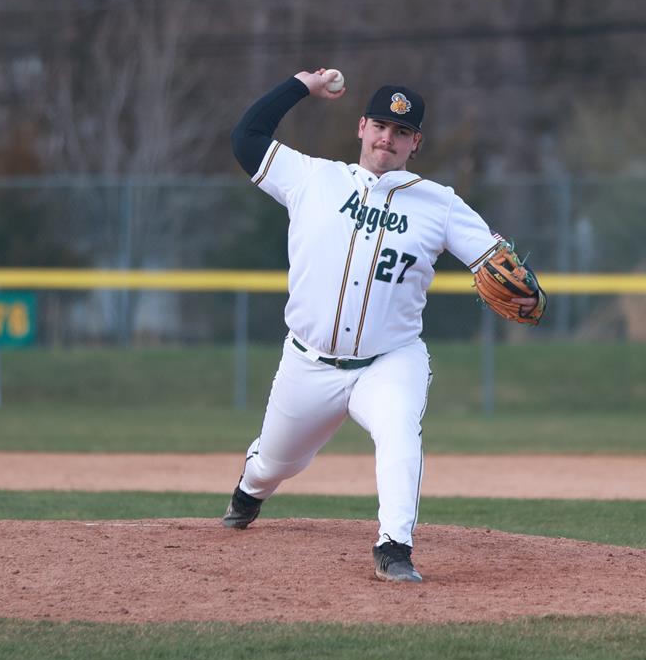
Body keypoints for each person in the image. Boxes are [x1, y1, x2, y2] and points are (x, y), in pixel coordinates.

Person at [221, 69, 542, 583]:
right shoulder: (312, 177)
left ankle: (394, 546)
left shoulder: (439, 204)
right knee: (274, 464)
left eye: (401, 132)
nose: (387, 139)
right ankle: (251, 490)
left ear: (416, 143)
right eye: (379, 126)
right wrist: (300, 86)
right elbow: (246, 139)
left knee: (399, 434)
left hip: (390, 360)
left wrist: (515, 279)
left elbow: (491, 258)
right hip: (308, 363)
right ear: (362, 127)